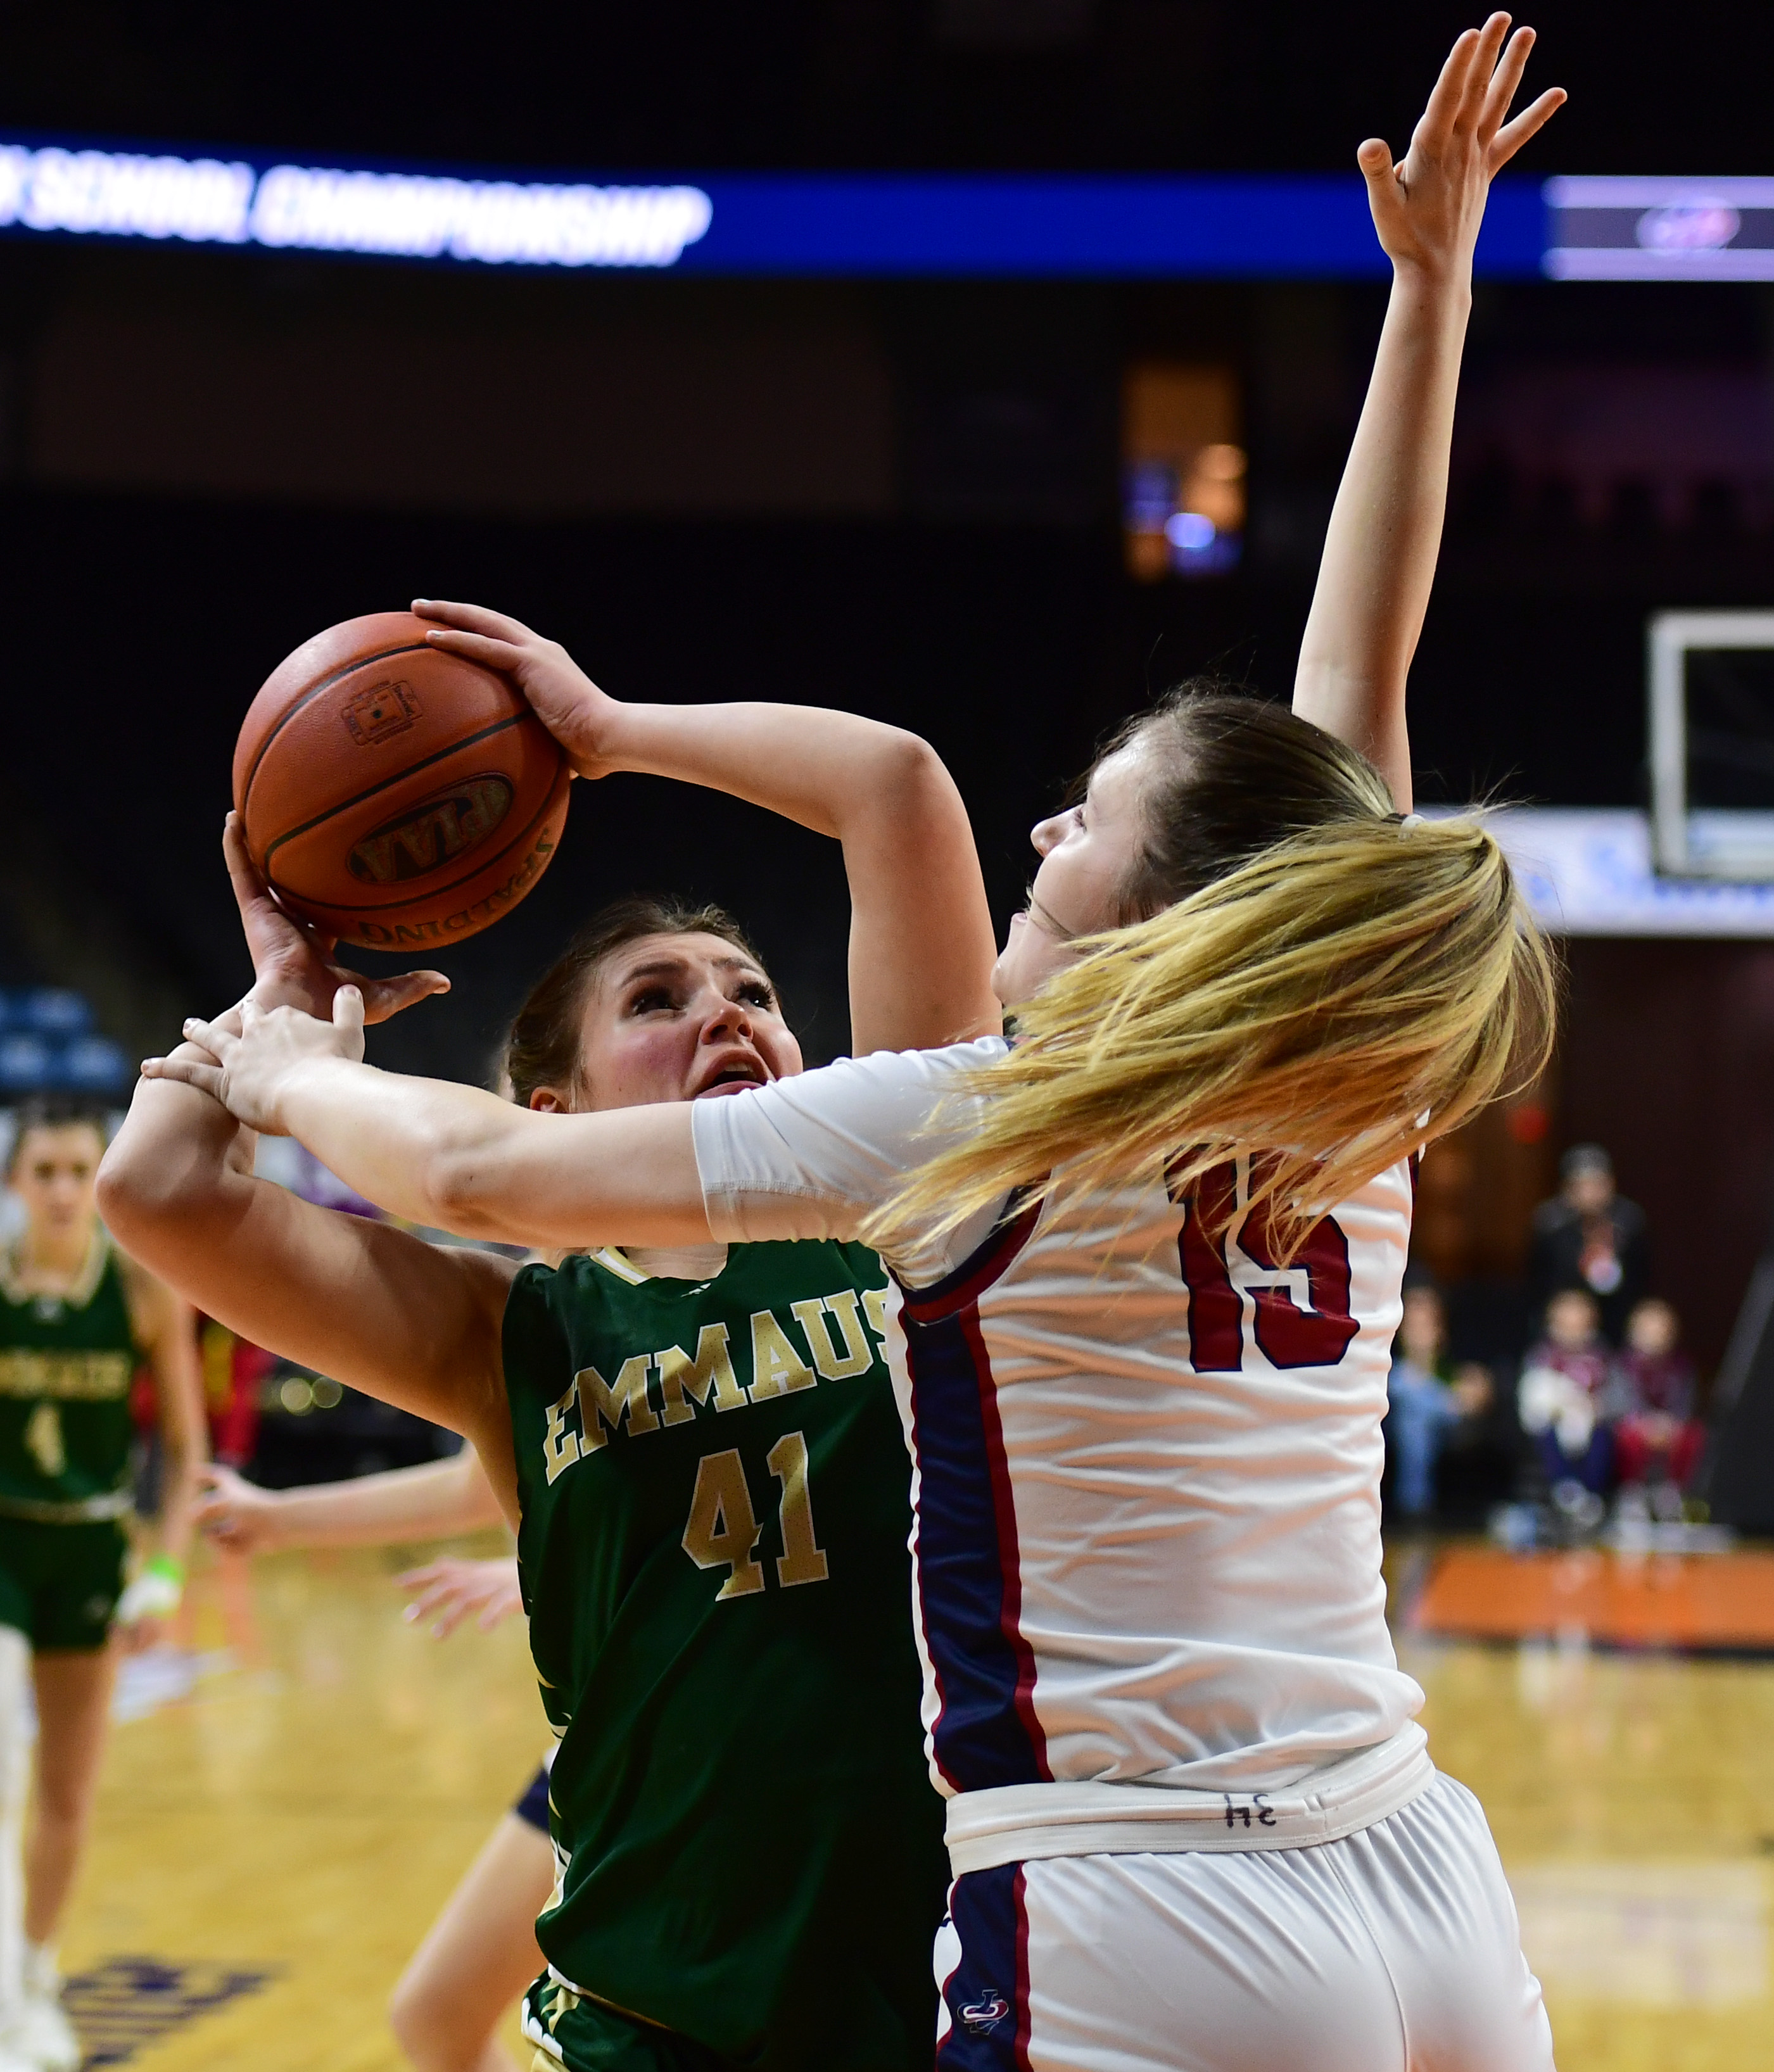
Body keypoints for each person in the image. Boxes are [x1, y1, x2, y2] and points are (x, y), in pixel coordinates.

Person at [122, 23, 1566, 2068]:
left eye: (1083, 822)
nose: (1046, 830)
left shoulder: (962, 1124)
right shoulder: (1357, 1091)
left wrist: (274, 1061)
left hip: (1135, 1886)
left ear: (1148, 919)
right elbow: (1357, 683)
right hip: (1414, 1856)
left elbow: (475, 1174)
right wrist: (1429, 300)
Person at [100, 667, 1002, 2072]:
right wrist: (275, 997)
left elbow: (893, 785)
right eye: (658, 998)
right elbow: (157, 1196)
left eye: (754, 992)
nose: (727, 1014)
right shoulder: (514, 1330)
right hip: (647, 2023)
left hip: (951, 2001)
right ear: (555, 1115)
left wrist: (614, 735)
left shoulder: (910, 1228)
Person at [196, 1450, 544, 2072]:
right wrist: (278, 1519)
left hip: (709, 1750)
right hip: (592, 1755)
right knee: (437, 2016)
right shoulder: (546, 1362)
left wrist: (539, 1571)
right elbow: (478, 1478)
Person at [0, 1097, 205, 2072]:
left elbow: (184, 1448)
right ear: (13, 1184)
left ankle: (37, 1977)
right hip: (0, 1545)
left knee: (67, 1793)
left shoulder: (135, 1286)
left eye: (80, 1171)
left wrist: (164, 1572)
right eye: (43, 1172)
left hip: (87, 1552)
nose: (63, 1191)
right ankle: (4, 1994)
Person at [1384, 1280, 1493, 1520]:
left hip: (1446, 1428)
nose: (1420, 1334)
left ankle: (1414, 1508)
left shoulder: (1449, 1368)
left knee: (1417, 1413)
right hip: (1401, 1422)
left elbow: (1476, 1393)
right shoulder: (1389, 1369)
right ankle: (1416, 1508)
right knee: (1411, 1408)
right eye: (1413, 1326)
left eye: (1427, 1326)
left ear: (1440, 1329)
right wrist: (1447, 1402)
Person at [1529, 1143, 1649, 1343]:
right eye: (1581, 1186)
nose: (1589, 1194)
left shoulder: (1630, 1224)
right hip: (1562, 1328)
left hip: (1616, 1327)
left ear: (1611, 1184)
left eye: (1597, 1185)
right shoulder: (1550, 1226)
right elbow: (1538, 1285)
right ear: (1566, 1189)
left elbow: (1642, 1282)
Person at [1517, 1286, 1612, 1518]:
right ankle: (1565, 1490)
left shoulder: (1601, 1358)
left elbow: (1614, 1393)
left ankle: (1591, 1494)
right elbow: (1532, 1396)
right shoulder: (1541, 1357)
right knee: (1548, 1435)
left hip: (1592, 1422)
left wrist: (1597, 1408)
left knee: (1603, 1436)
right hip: (1553, 1423)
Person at [1610, 1296, 1703, 1519]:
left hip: (1669, 1426)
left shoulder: (1682, 1367)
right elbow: (1620, 1403)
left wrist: (1670, 1424)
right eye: (1649, 1330)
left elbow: (1685, 1404)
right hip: (1635, 1425)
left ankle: (1672, 1495)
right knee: (1628, 1436)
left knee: (1693, 1434)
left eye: (1662, 1330)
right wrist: (1646, 1423)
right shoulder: (1622, 1365)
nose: (1656, 1337)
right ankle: (1632, 1495)